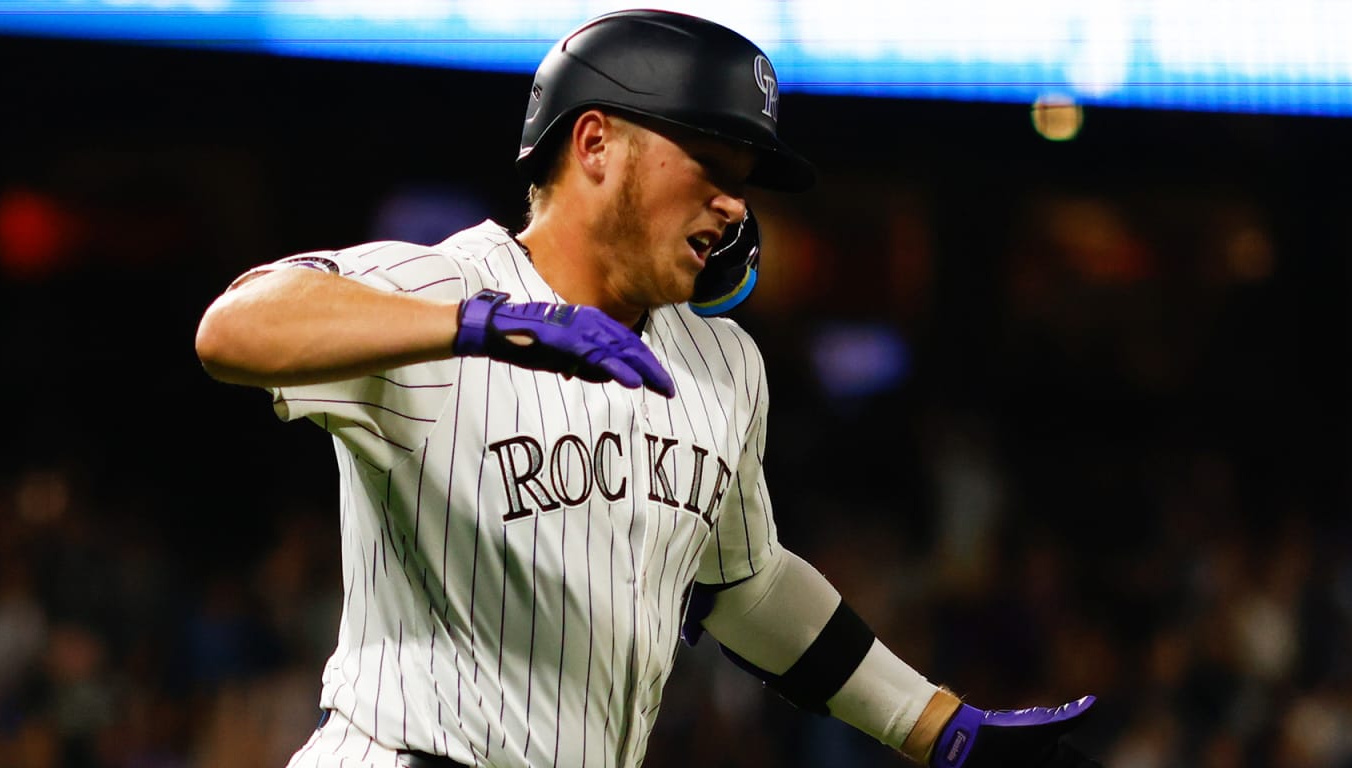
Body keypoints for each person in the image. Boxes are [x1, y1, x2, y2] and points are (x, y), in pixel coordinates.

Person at [195, 9, 1104, 768]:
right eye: (710, 162)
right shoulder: (443, 287)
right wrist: (475, 326)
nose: (735, 204)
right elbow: (233, 328)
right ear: (596, 143)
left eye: (745, 181)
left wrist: (936, 727)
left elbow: (742, 586)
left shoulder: (722, 363)